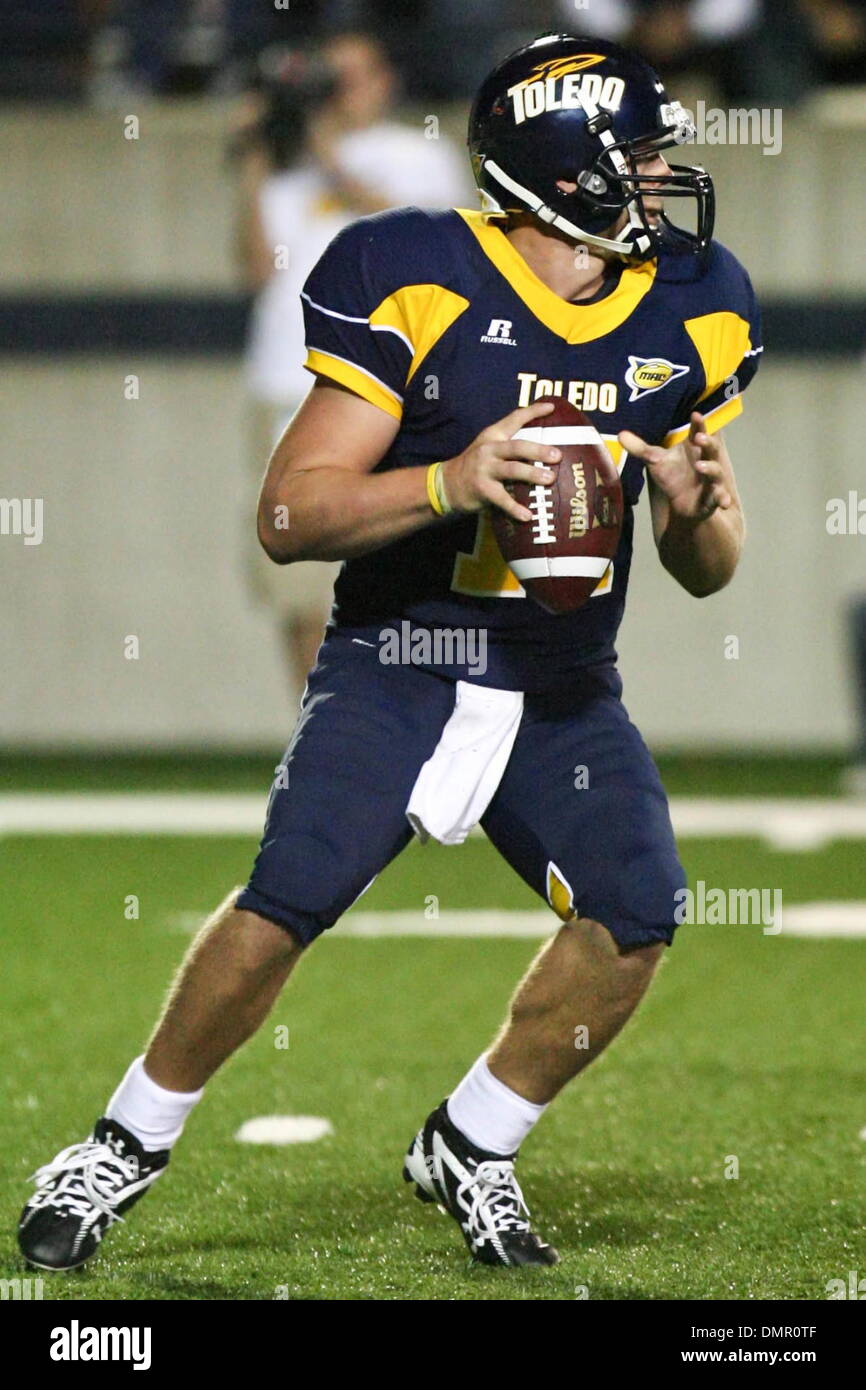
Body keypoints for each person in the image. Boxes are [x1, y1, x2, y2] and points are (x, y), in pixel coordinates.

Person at [19, 32, 761, 1272]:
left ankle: (471, 1141)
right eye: (636, 154)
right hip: (401, 657)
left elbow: (709, 565)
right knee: (283, 903)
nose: (659, 174)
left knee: (634, 915)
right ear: (560, 167)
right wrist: (452, 477)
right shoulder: (412, 270)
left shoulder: (696, 304)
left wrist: (693, 515)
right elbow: (290, 514)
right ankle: (124, 1141)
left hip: (563, 684)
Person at [238, 32, 467, 685]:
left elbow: (423, 237)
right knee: (299, 585)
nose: (334, 92)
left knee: (411, 563)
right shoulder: (289, 170)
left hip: (394, 390)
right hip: (286, 385)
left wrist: (321, 150)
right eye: (325, 79)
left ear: (384, 81)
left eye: (348, 77)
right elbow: (255, 269)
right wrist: (258, 158)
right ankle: (317, 731)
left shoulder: (417, 152)